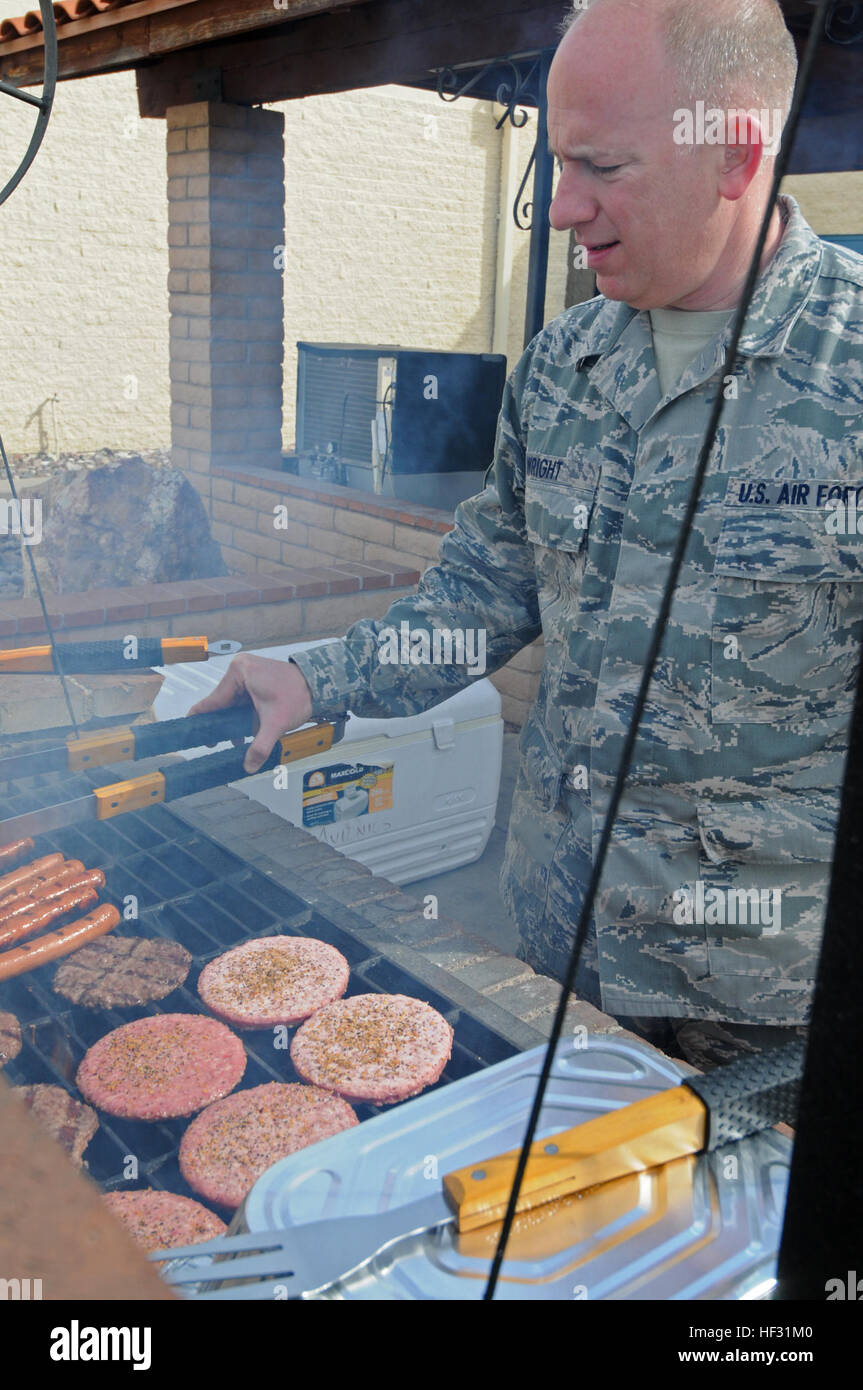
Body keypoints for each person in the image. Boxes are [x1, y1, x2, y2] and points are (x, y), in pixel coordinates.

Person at [191, 0, 863, 1069]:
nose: (561, 208)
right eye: (556, 162)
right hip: (557, 950)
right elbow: (482, 595)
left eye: (600, 166)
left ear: (735, 155)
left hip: (763, 1008)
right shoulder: (561, 366)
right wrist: (316, 678)